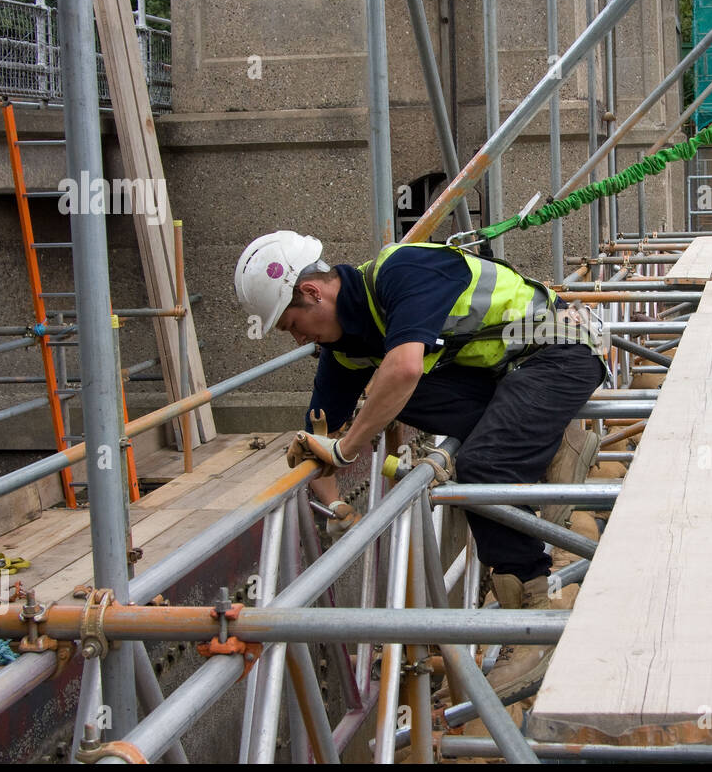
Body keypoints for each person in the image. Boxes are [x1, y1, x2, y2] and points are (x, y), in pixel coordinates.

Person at [234, 232, 605, 695]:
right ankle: (550, 442)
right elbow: (318, 432)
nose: (298, 337)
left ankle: (536, 609)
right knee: (391, 397)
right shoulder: (346, 348)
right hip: (509, 376)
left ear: (312, 292)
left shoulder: (402, 272)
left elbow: (405, 369)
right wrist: (336, 509)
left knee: (480, 466)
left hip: (560, 348)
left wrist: (347, 449)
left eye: (292, 323)